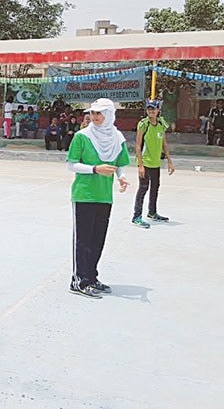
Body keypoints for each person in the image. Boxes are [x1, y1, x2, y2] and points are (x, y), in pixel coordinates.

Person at [66, 98, 130, 299]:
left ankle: (92, 277)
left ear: (109, 115)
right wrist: (95, 169)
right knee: (83, 239)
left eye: (99, 113)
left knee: (97, 239)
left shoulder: (116, 137)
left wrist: (121, 177)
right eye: (92, 113)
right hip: (84, 194)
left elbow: (120, 162)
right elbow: (72, 164)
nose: (94, 117)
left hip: (104, 195)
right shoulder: (82, 136)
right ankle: (79, 280)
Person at [132, 100, 175, 229]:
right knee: (143, 188)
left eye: (153, 109)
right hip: (145, 162)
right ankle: (136, 216)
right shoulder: (143, 124)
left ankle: (152, 212)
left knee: (155, 187)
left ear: (158, 110)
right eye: (149, 109)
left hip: (156, 162)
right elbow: (138, 146)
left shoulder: (161, 123)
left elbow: (164, 143)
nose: (151, 111)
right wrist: (140, 165)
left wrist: (169, 161)